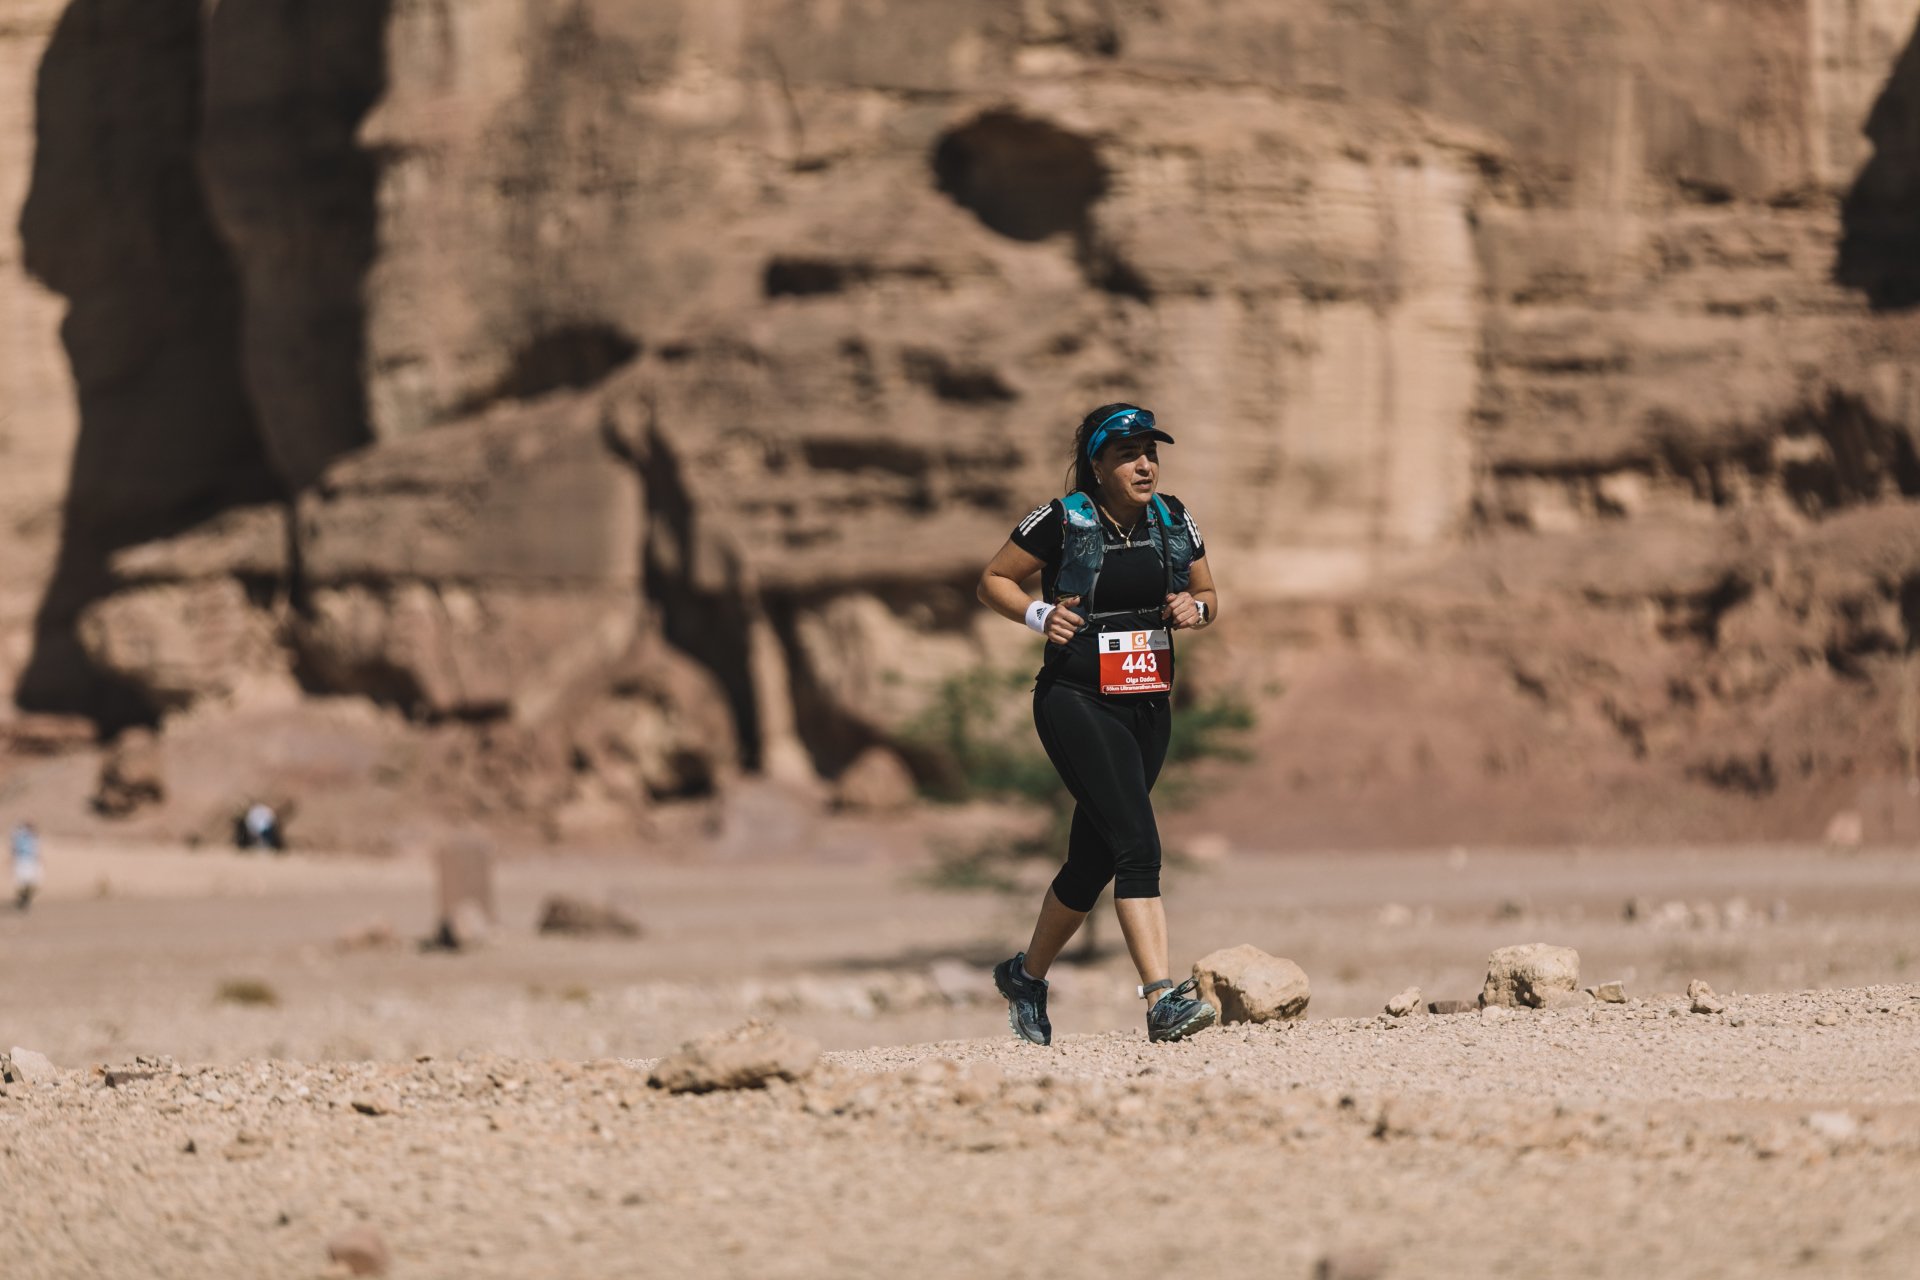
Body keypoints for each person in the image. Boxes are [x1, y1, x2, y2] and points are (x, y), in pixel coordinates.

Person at [976, 403, 1221, 1045]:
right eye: (1128, 453)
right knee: (1138, 842)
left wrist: (1194, 608)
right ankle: (1162, 999)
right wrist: (1037, 616)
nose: (1145, 464)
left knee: (1093, 858)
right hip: (1077, 700)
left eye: (1151, 452)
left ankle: (1026, 977)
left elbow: (1211, 595)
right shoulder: (1061, 519)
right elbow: (993, 580)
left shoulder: (1173, 517)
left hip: (1147, 703)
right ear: (1098, 464)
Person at [10, 822, 42, 911]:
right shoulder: (19, 836)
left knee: (33, 882)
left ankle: (26, 899)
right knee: (22, 882)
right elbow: (14, 848)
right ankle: (23, 900)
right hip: (22, 861)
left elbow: (36, 850)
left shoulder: (33, 837)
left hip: (31, 861)